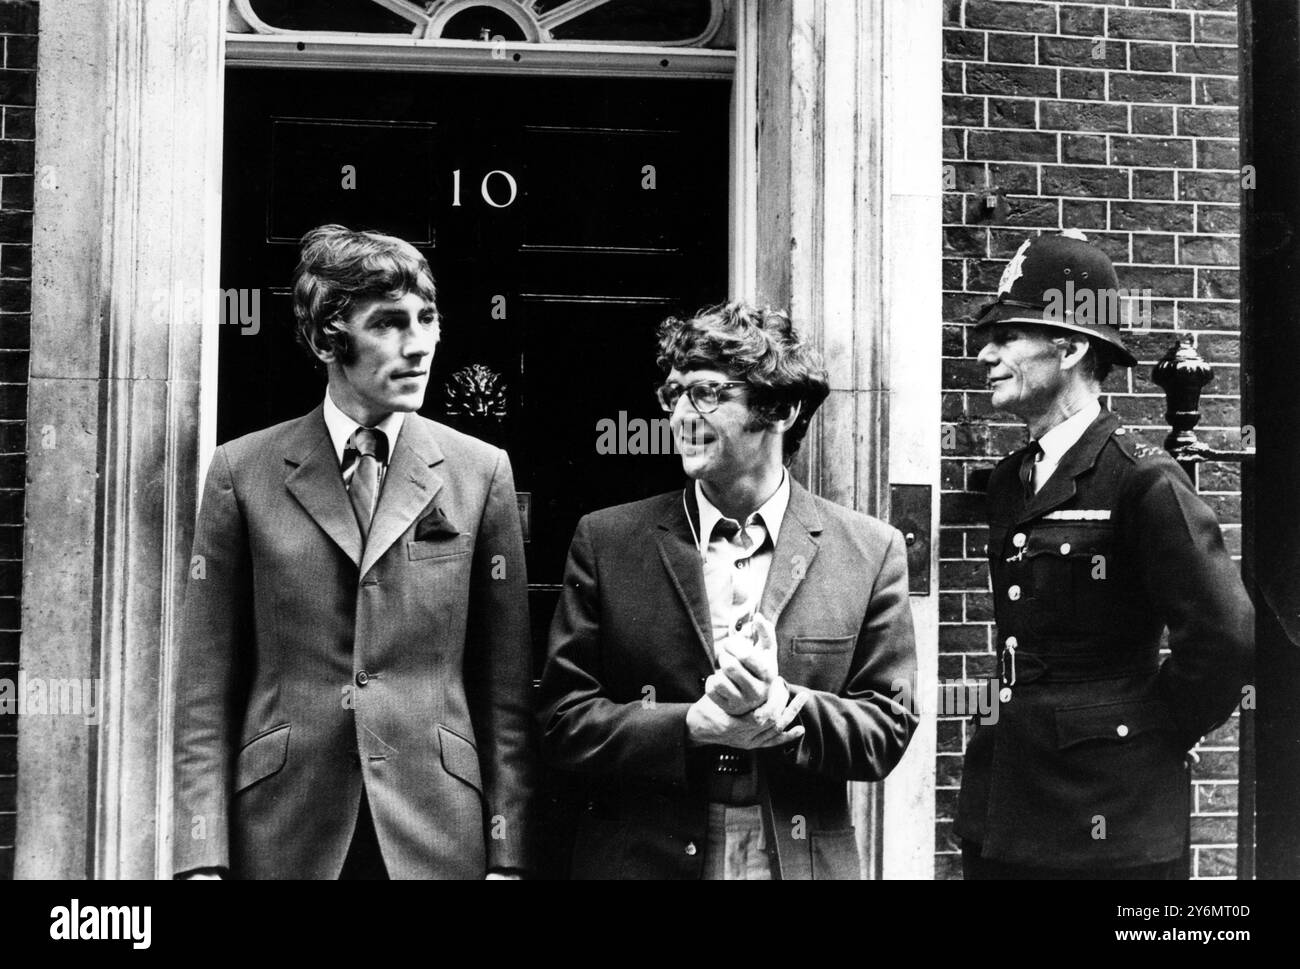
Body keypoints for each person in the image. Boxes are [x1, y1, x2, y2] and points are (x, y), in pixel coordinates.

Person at [172, 224, 535, 879]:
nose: (420, 343)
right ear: (325, 339)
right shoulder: (243, 470)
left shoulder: (480, 472)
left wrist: (507, 856)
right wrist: (201, 858)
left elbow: (504, 693)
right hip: (284, 827)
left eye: (428, 318)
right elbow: (203, 690)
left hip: (435, 827)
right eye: (390, 323)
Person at [538, 300, 918, 879]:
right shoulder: (608, 540)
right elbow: (564, 720)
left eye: (708, 394)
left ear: (782, 408)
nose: (681, 416)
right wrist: (691, 725)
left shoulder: (868, 550)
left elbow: (887, 728)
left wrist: (782, 707)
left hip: (793, 858)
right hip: (643, 860)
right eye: (673, 395)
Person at [956, 231, 1253, 879]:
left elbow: (1224, 636)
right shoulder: (1012, 480)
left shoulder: (1142, 478)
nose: (985, 354)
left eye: (1007, 336)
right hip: (1007, 807)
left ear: (1070, 346)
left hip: (1109, 822)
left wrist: (1142, 734)